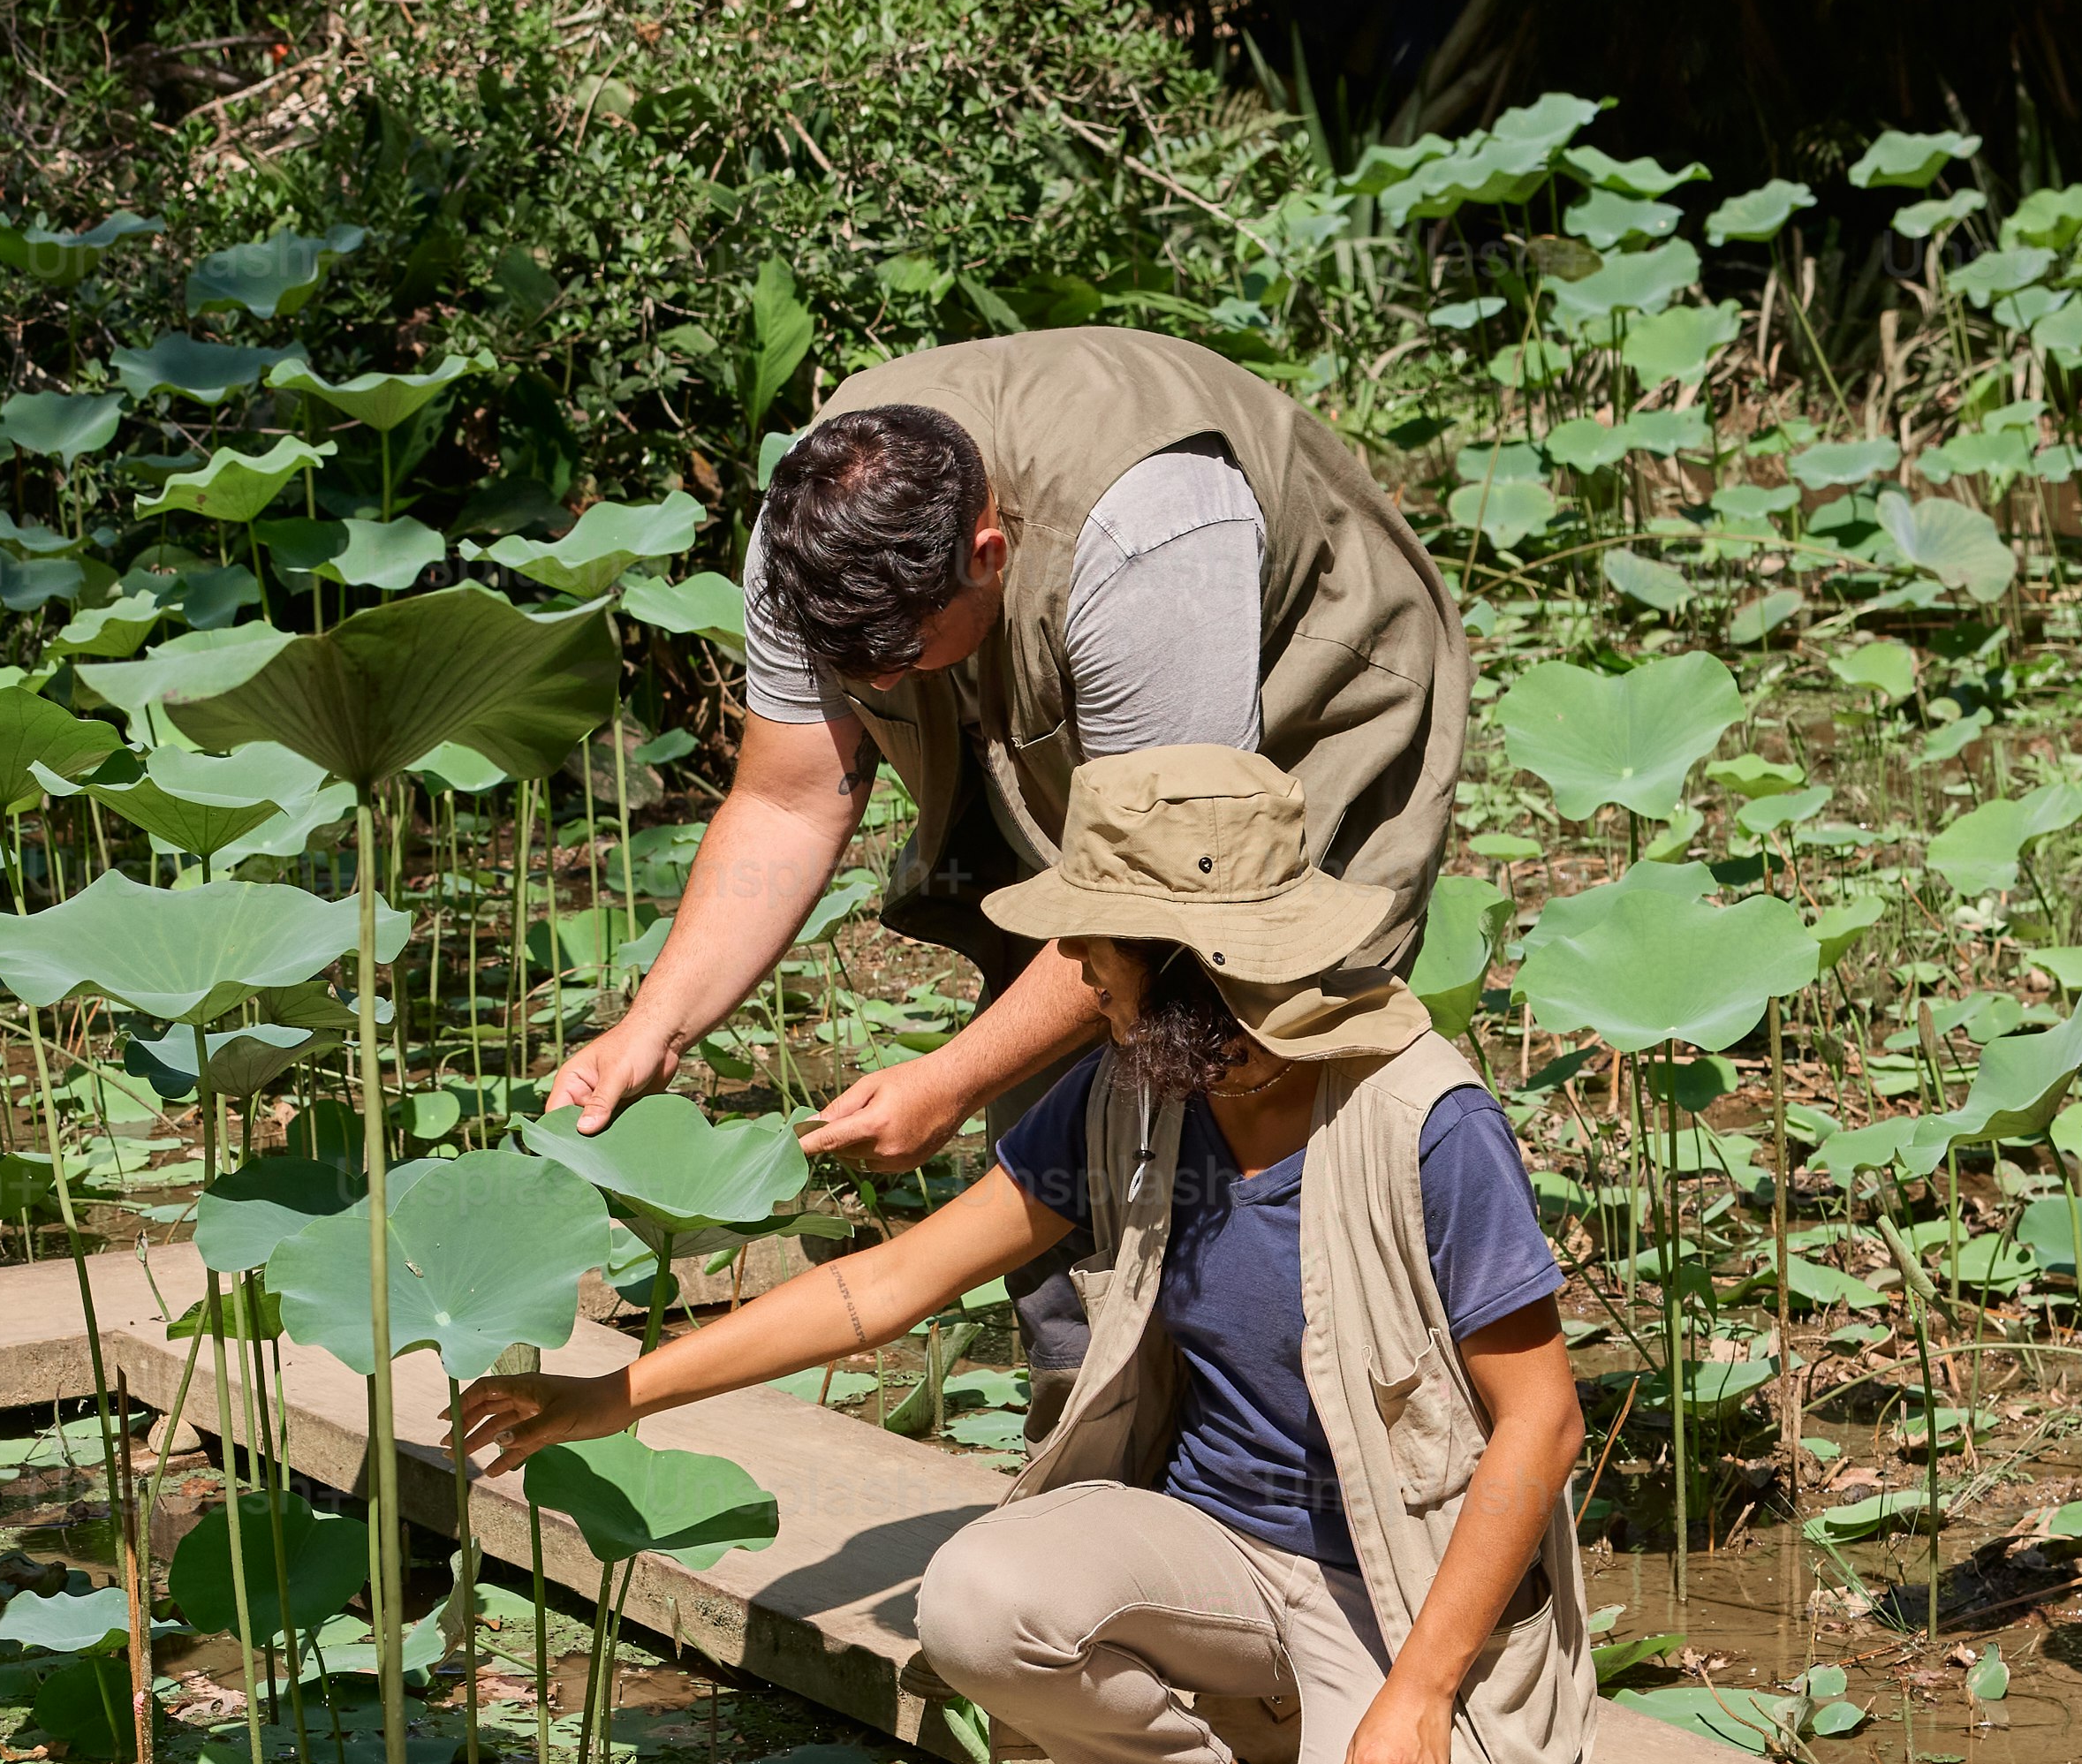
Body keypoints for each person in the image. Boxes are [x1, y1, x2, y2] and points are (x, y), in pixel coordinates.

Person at [455, 748, 1594, 1764]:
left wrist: (1420, 1696)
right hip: (1219, 1553)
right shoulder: (1137, 1091)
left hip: (1403, 1599)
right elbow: (882, 1289)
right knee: (981, 1596)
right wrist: (619, 1395)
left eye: (1095, 948)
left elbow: (1541, 1422)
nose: (1076, 975)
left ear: (1181, 957)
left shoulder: (1421, 1118)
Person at [541, 323, 1470, 1183]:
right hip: (1069, 703)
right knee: (1050, 1121)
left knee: (1258, 1054)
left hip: (1311, 691)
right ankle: (1086, 1348)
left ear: (985, 553)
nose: (870, 683)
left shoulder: (1148, 534)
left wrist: (947, 1079)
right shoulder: (809, 539)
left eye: (894, 661)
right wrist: (652, 1027)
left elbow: (1165, 888)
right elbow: (787, 803)